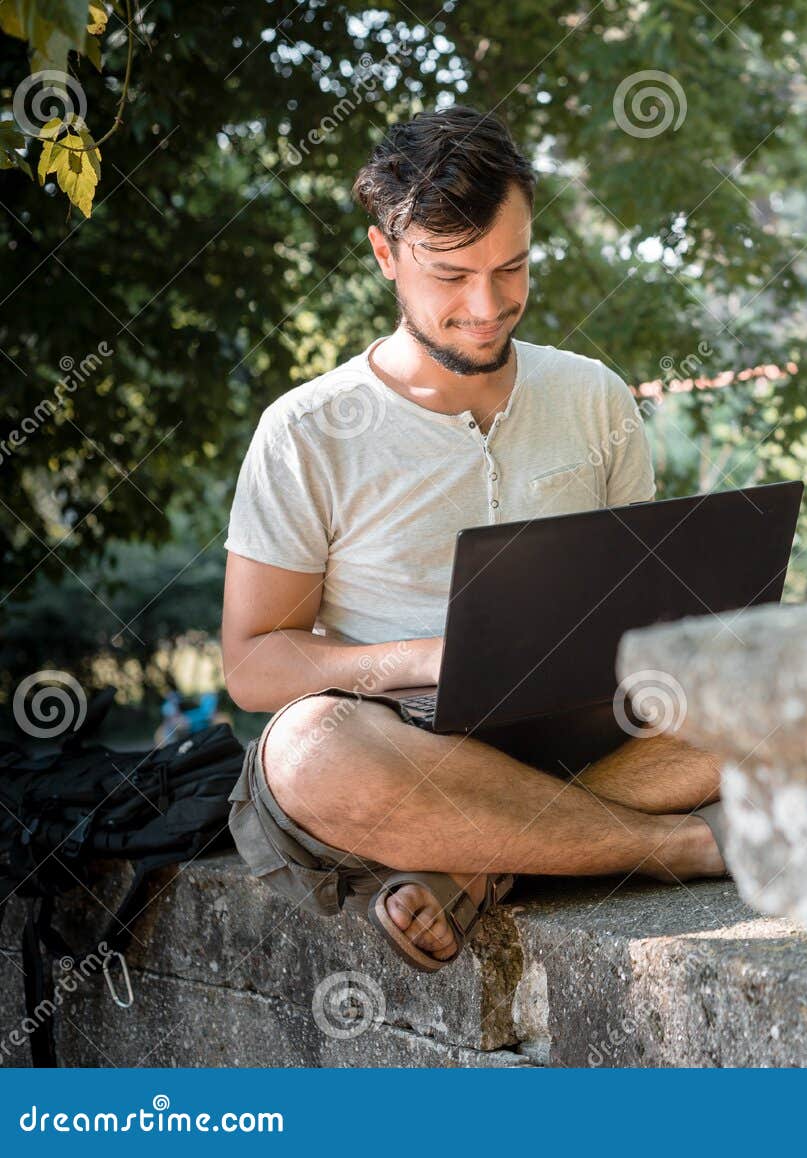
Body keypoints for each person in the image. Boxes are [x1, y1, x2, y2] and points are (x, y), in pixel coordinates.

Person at [220, 107, 727, 974]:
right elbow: (254, 664)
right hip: (404, 737)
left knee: (787, 676)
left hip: (584, 725)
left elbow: (642, 607)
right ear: (386, 256)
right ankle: (677, 847)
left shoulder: (595, 396)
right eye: (450, 276)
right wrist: (424, 659)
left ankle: (471, 863)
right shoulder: (307, 429)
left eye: (512, 266)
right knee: (306, 754)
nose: (487, 307)